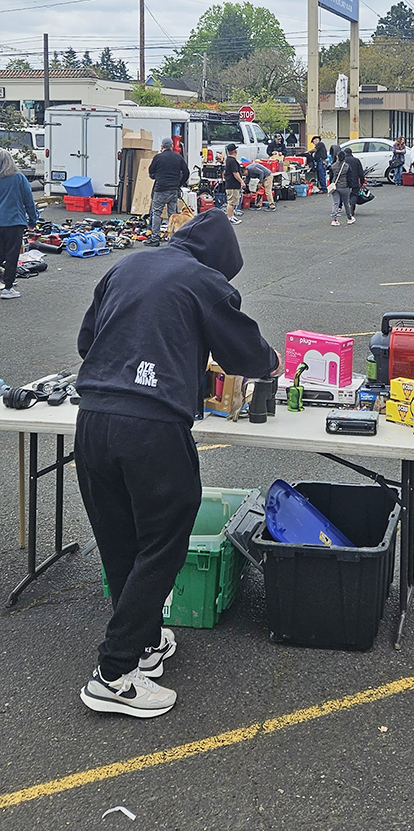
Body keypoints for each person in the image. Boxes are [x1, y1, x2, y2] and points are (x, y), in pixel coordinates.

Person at [74, 209, 282, 718]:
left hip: (93, 419)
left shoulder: (126, 266)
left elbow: (87, 343)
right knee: (163, 541)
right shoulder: (206, 282)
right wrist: (272, 361)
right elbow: (250, 359)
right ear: (221, 261)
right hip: (151, 427)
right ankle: (114, 674)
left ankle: (144, 643)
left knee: (120, 540)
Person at [0, 148, 38, 300]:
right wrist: (32, 221)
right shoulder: (19, 178)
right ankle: (8, 287)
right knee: (11, 255)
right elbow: (29, 201)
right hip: (14, 222)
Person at [145, 137, 190, 247]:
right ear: (172, 146)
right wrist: (179, 183)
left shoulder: (158, 157)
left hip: (160, 189)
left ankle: (155, 238)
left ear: (162, 146)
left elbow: (151, 171)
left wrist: (156, 176)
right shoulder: (178, 157)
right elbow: (186, 172)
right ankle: (173, 239)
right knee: (172, 214)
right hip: (173, 190)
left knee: (156, 213)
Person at [328, 150, 353, 225]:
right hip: (344, 187)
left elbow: (331, 177)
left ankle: (334, 219)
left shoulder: (333, 166)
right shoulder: (347, 166)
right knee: (346, 203)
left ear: (337, 157)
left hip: (335, 187)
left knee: (336, 203)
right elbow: (350, 177)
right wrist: (350, 186)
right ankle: (349, 218)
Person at [223, 144, 245, 224]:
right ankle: (229, 217)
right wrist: (241, 181)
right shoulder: (232, 161)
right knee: (231, 202)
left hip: (232, 184)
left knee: (234, 201)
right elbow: (235, 173)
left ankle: (232, 215)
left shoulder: (229, 160)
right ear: (235, 151)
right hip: (232, 184)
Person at [344, 148, 366, 217]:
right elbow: (360, 172)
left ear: (345, 153)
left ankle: (342, 206)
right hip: (354, 180)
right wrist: (362, 182)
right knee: (354, 194)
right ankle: (352, 205)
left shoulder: (343, 161)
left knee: (344, 195)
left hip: (345, 181)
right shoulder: (356, 160)